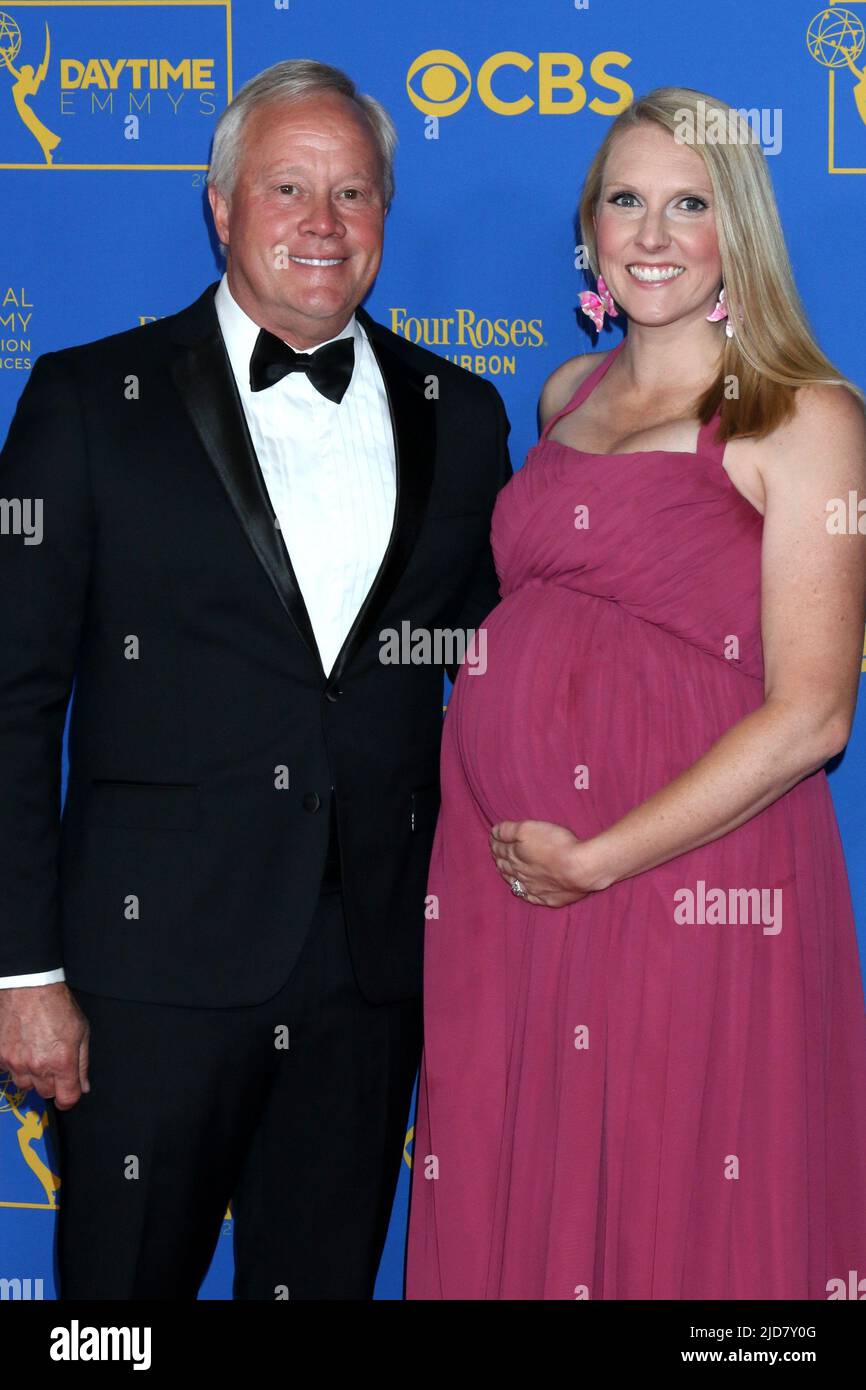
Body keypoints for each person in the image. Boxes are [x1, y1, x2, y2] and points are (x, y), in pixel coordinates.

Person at [0, 58, 511, 1299]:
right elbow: (14, 700)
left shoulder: (466, 416)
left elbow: (498, 671)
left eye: (352, 192)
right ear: (221, 206)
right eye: (286, 187)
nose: (321, 224)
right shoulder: (84, 404)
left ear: (386, 213)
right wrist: (22, 973)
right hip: (142, 982)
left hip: (369, 979)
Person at [406, 86, 866, 1300]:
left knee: (683, 1189)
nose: (650, 233)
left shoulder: (802, 415)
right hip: (508, 883)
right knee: (532, 1171)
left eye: (687, 204)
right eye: (625, 200)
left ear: (738, 232)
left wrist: (600, 857)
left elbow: (813, 715)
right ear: (590, 230)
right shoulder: (563, 398)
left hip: (687, 884)